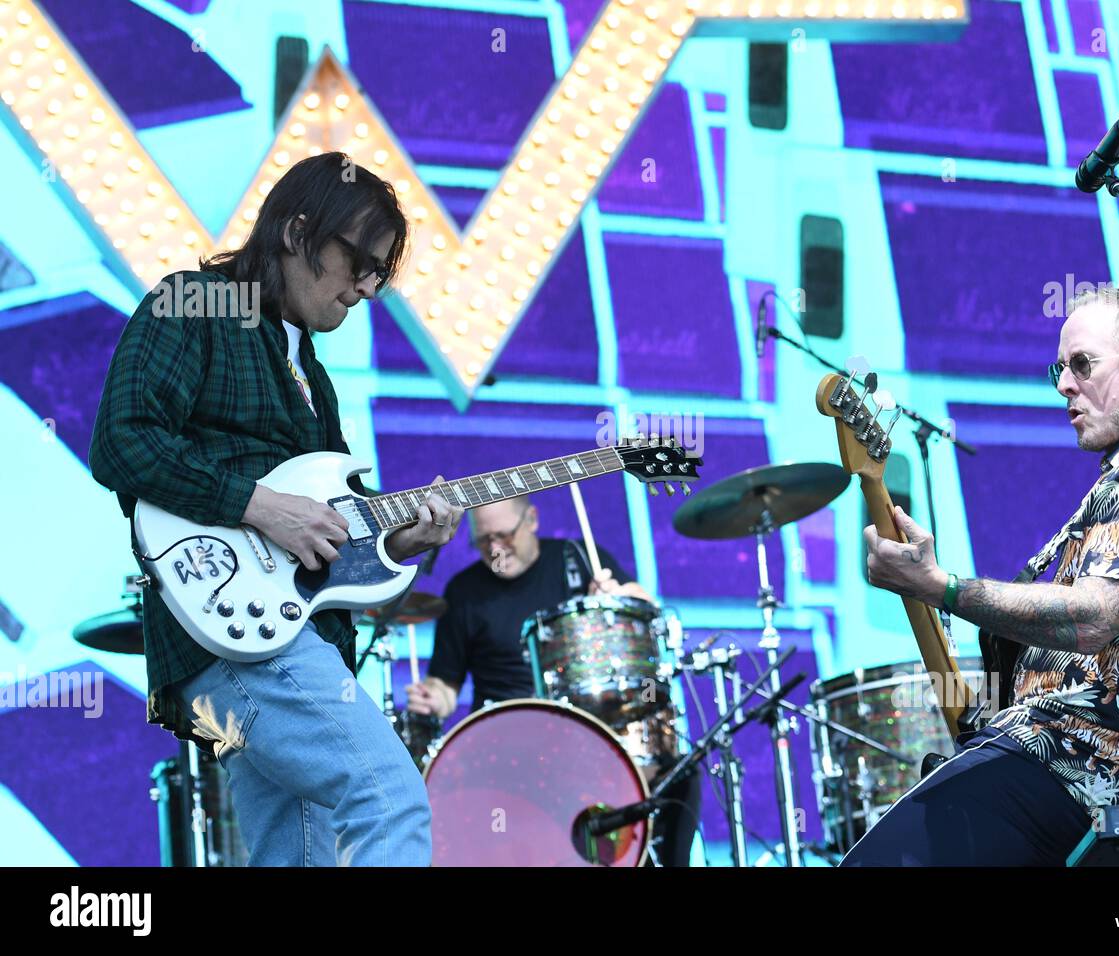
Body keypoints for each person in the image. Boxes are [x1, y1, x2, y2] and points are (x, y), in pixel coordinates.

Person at [89, 152, 463, 866]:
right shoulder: (198, 300)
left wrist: (403, 540)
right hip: (230, 633)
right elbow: (122, 441)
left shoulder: (307, 369)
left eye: (380, 275)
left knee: (295, 858)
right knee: (390, 798)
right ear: (297, 232)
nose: (366, 288)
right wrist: (259, 505)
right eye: (359, 262)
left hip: (282, 630)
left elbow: (329, 530)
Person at [842, 287, 1119, 866]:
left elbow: (1093, 616)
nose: (1064, 385)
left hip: (1082, 769)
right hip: (1057, 763)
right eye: (1060, 367)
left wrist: (943, 588)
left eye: (1083, 364)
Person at [405, 496, 702, 866]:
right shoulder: (464, 592)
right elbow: (445, 687)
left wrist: (619, 597)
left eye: (504, 535)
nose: (496, 548)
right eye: (484, 540)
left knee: (678, 772)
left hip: (589, 728)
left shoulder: (578, 558)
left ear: (531, 520)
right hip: (509, 743)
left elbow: (645, 609)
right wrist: (431, 698)